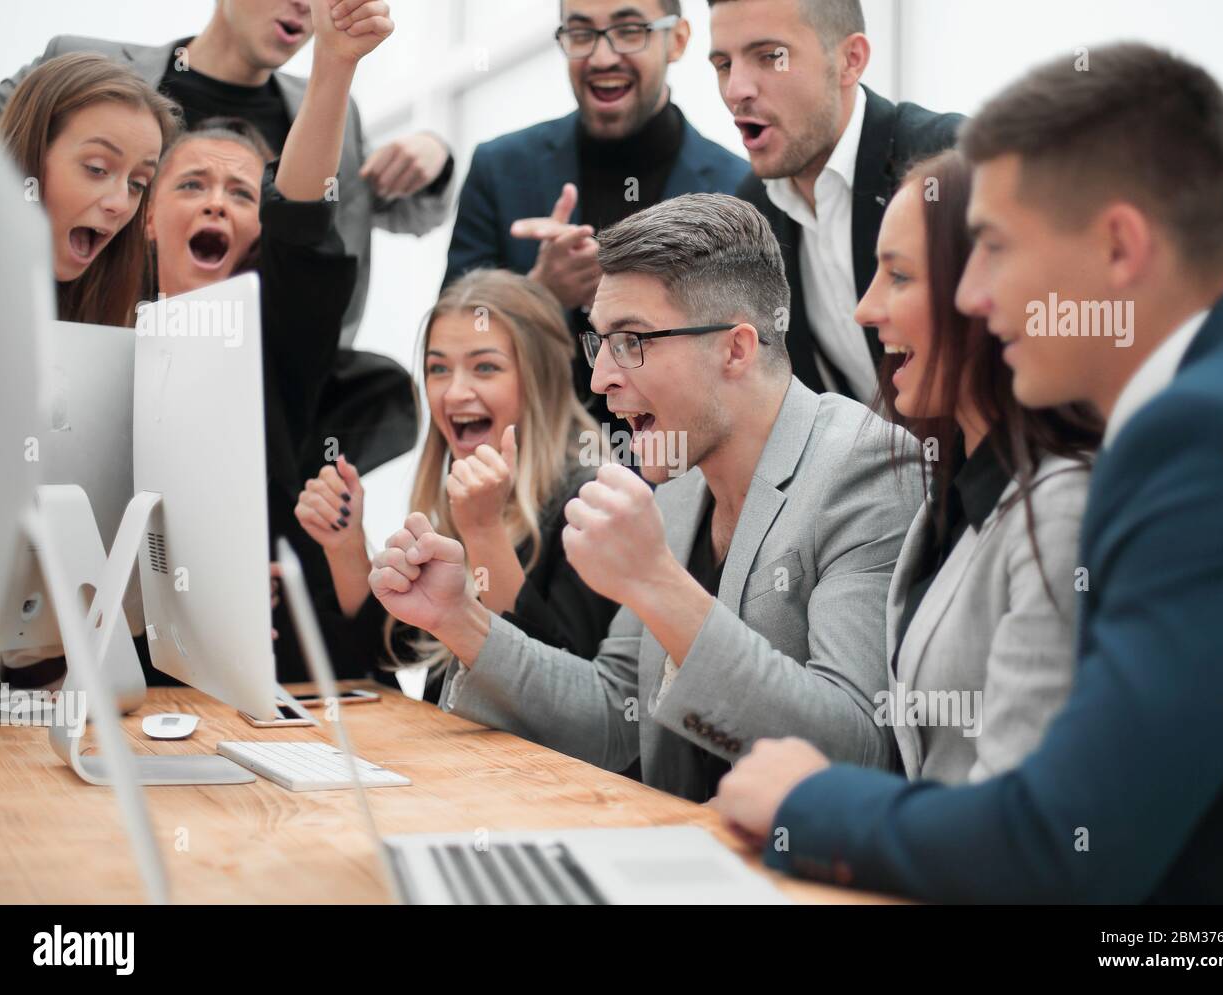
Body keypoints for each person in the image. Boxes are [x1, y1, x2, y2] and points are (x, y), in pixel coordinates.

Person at [715, 43, 1223, 903]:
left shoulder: (1206, 434)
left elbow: (1065, 842)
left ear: (1120, 248)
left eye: (996, 249)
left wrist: (809, 800)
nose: (972, 296)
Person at [368, 192, 919, 802]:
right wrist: (460, 619)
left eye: (631, 341)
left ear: (735, 348)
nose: (601, 378)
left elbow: (853, 748)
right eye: (600, 343)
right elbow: (614, 714)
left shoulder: (868, 466)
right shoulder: (678, 483)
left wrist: (658, 583)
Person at [142, 0, 397, 683]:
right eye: (191, 184)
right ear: (143, 216)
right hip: (129, 667)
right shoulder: (101, 330)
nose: (216, 202)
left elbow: (304, 217)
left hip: (281, 668)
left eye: (242, 192)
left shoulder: (278, 334)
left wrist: (334, 65)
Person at [0, 0, 454, 344]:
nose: (303, 5)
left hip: (259, 397)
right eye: (98, 167)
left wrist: (434, 154)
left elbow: (402, 211)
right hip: (67, 347)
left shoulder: (332, 113)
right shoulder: (82, 63)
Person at [852, 149, 1100, 783]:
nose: (865, 309)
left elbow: (1020, 815)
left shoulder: (1063, 508)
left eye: (899, 277)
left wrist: (817, 805)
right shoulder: (957, 492)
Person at [295, 269, 619, 701]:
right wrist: (345, 545)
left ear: (541, 379)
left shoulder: (594, 501)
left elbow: (558, 700)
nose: (454, 392)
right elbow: (386, 663)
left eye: (485, 367)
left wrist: (483, 531)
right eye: (438, 369)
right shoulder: (457, 503)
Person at [444, 0, 749, 426]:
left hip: (683, 472)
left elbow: (750, 368)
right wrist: (539, 296)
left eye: (629, 31)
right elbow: (449, 351)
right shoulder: (500, 169)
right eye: (582, 34)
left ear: (676, 40)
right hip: (528, 468)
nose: (603, 57)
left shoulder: (740, 190)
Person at [710, 0, 962, 402]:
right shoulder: (748, 213)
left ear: (851, 59)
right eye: (723, 64)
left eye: (770, 56)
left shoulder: (951, 159)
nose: (735, 90)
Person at [0, 53, 179, 327]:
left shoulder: (124, 321)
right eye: (96, 169)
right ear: (28, 154)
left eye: (137, 184)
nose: (120, 204)